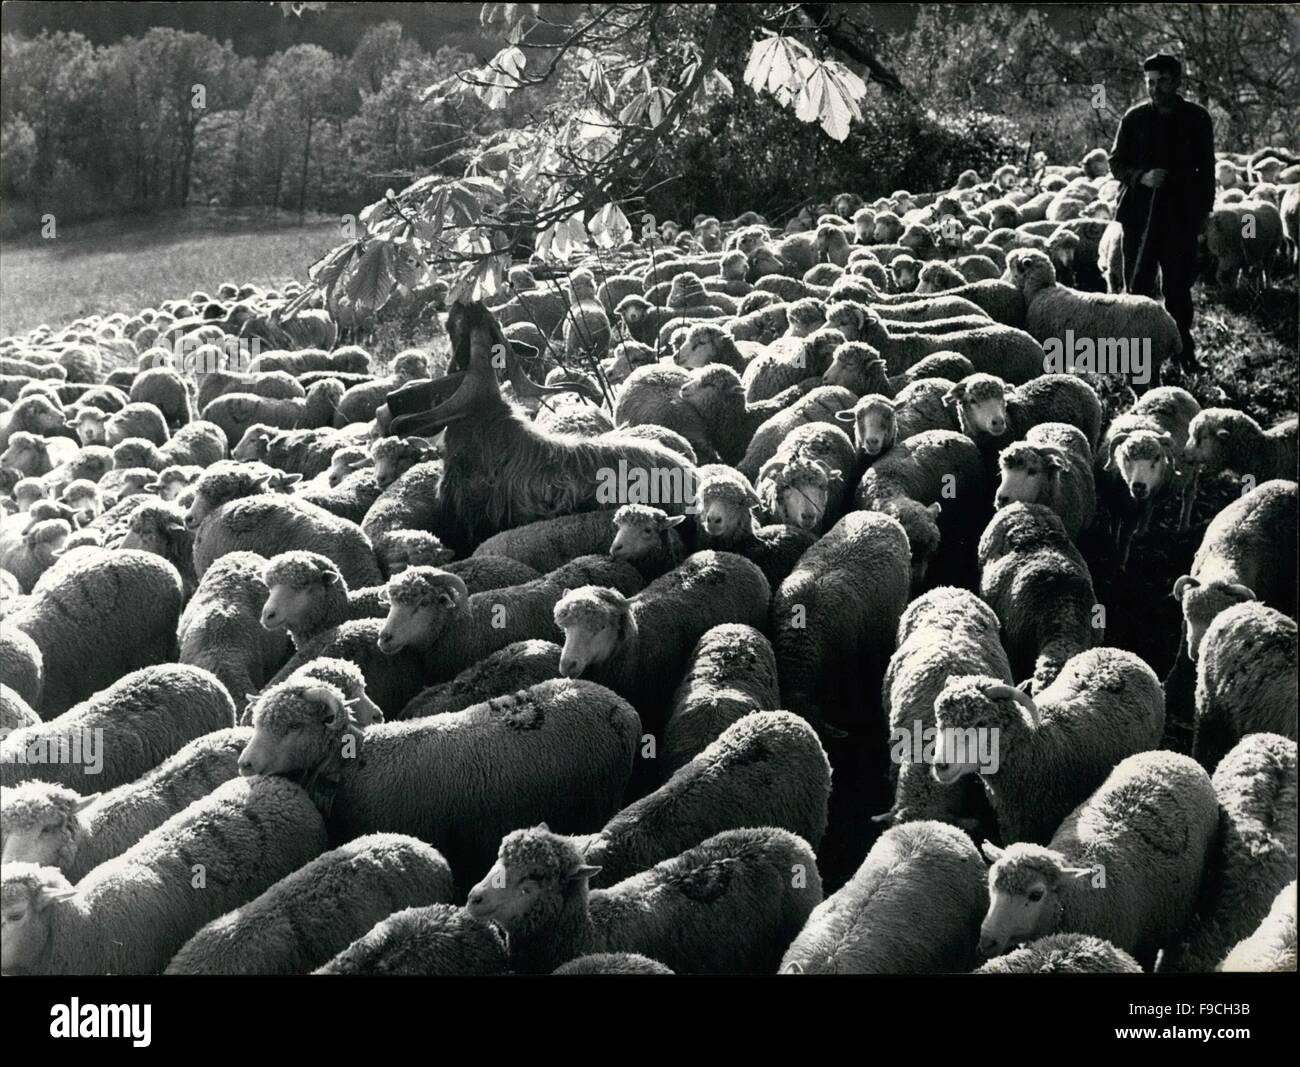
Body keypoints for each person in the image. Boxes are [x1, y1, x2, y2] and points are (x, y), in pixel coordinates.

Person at [1108, 52, 1215, 373]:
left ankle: (1183, 352)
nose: (1155, 88)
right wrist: (1141, 176)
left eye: (1162, 81)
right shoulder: (1134, 118)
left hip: (1179, 216)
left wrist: (1204, 213)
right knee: (1137, 287)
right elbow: (1116, 162)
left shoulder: (1197, 118)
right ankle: (1134, 358)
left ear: (1177, 81)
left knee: (1178, 288)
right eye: (1150, 83)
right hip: (1139, 216)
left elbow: (1207, 170)